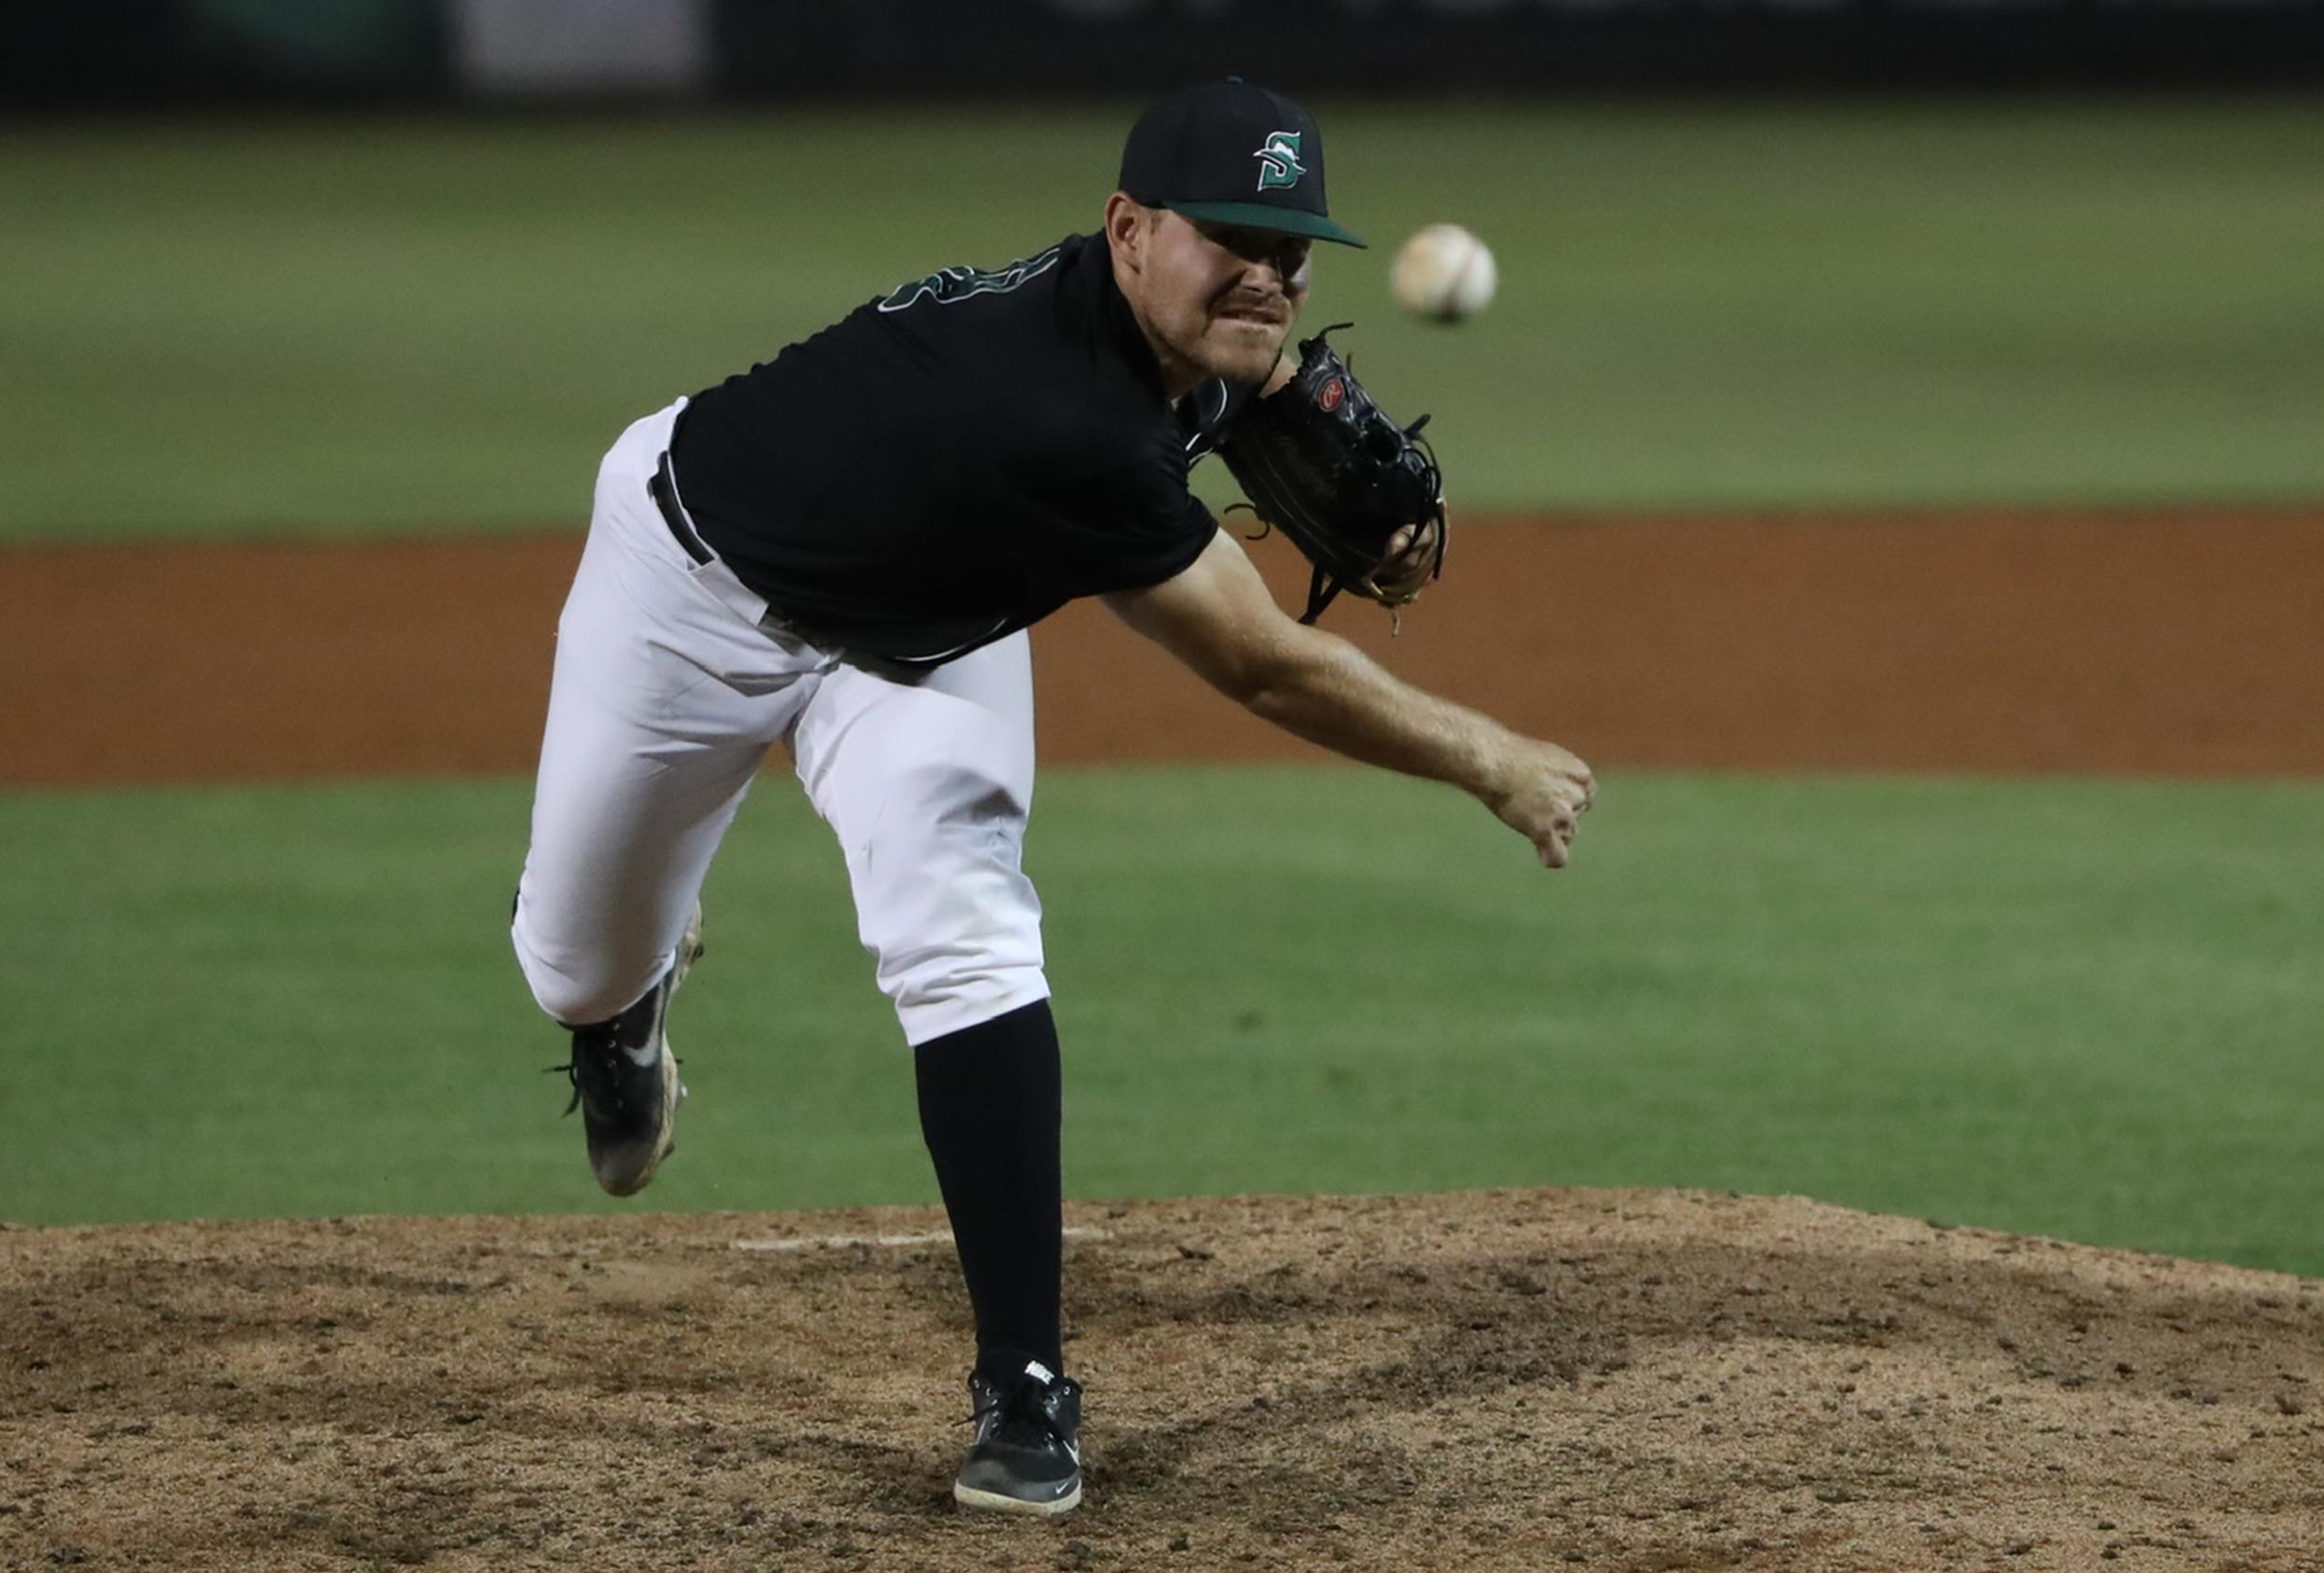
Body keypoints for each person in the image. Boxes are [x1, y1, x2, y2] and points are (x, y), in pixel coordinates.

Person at [509, 78, 1593, 1518]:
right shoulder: (1056, 416)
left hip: (919, 640)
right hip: (691, 595)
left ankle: (1023, 1386)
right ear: (1129, 228)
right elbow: (1265, 666)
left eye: (1291, 247)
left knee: (967, 936)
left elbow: (1270, 396)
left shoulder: (1181, 326)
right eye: (1230, 240)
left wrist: (1299, 399)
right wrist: (1494, 759)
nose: (1265, 277)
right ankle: (620, 1011)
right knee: (573, 959)